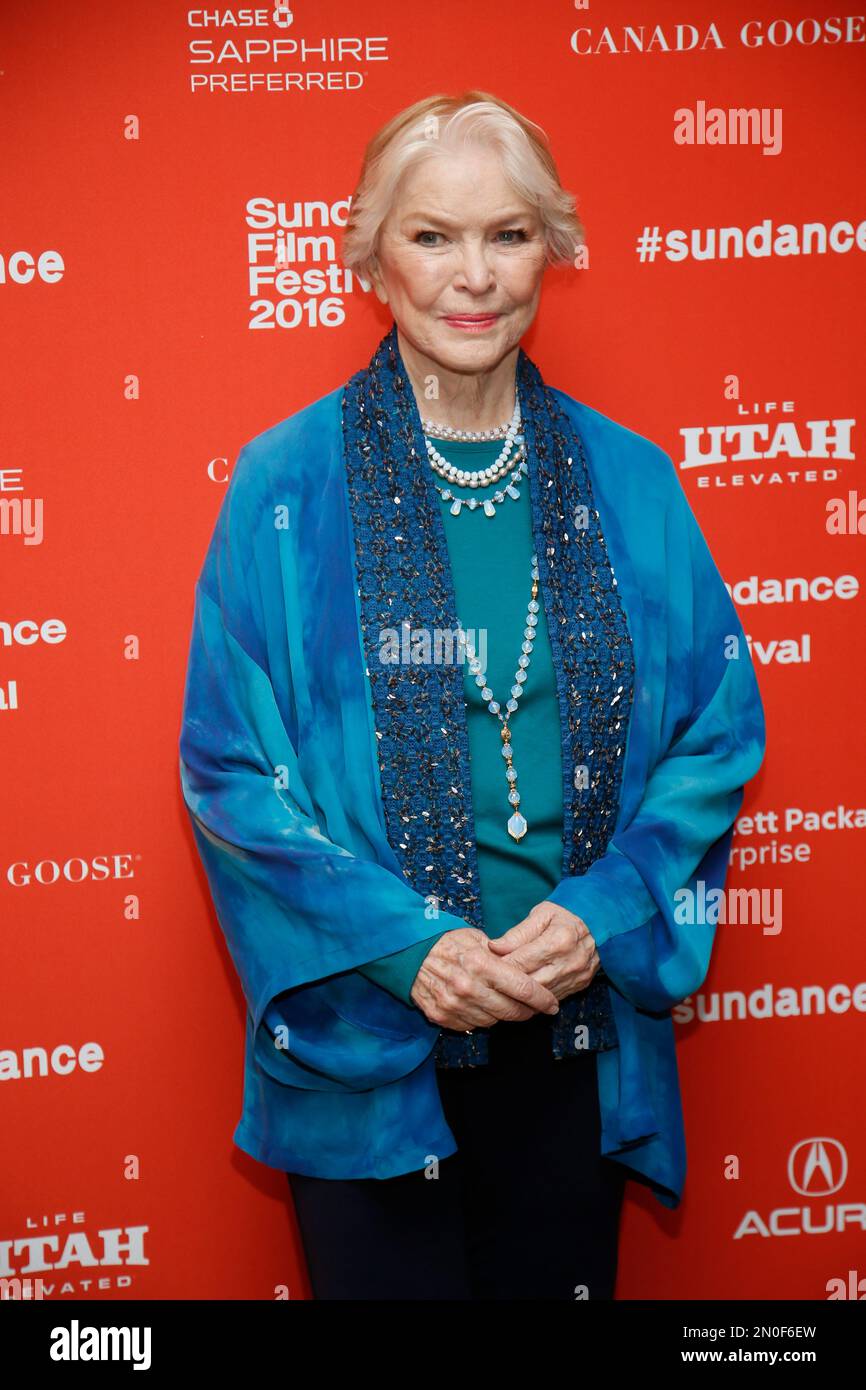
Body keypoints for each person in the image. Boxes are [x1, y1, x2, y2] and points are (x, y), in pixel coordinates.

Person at [178, 90, 766, 1300]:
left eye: (505, 234)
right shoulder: (283, 488)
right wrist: (411, 952)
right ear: (370, 255)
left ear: (548, 249)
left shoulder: (632, 482)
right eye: (430, 235)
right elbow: (229, 768)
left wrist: (600, 910)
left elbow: (716, 730)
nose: (473, 276)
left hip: (574, 1036)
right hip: (367, 1058)